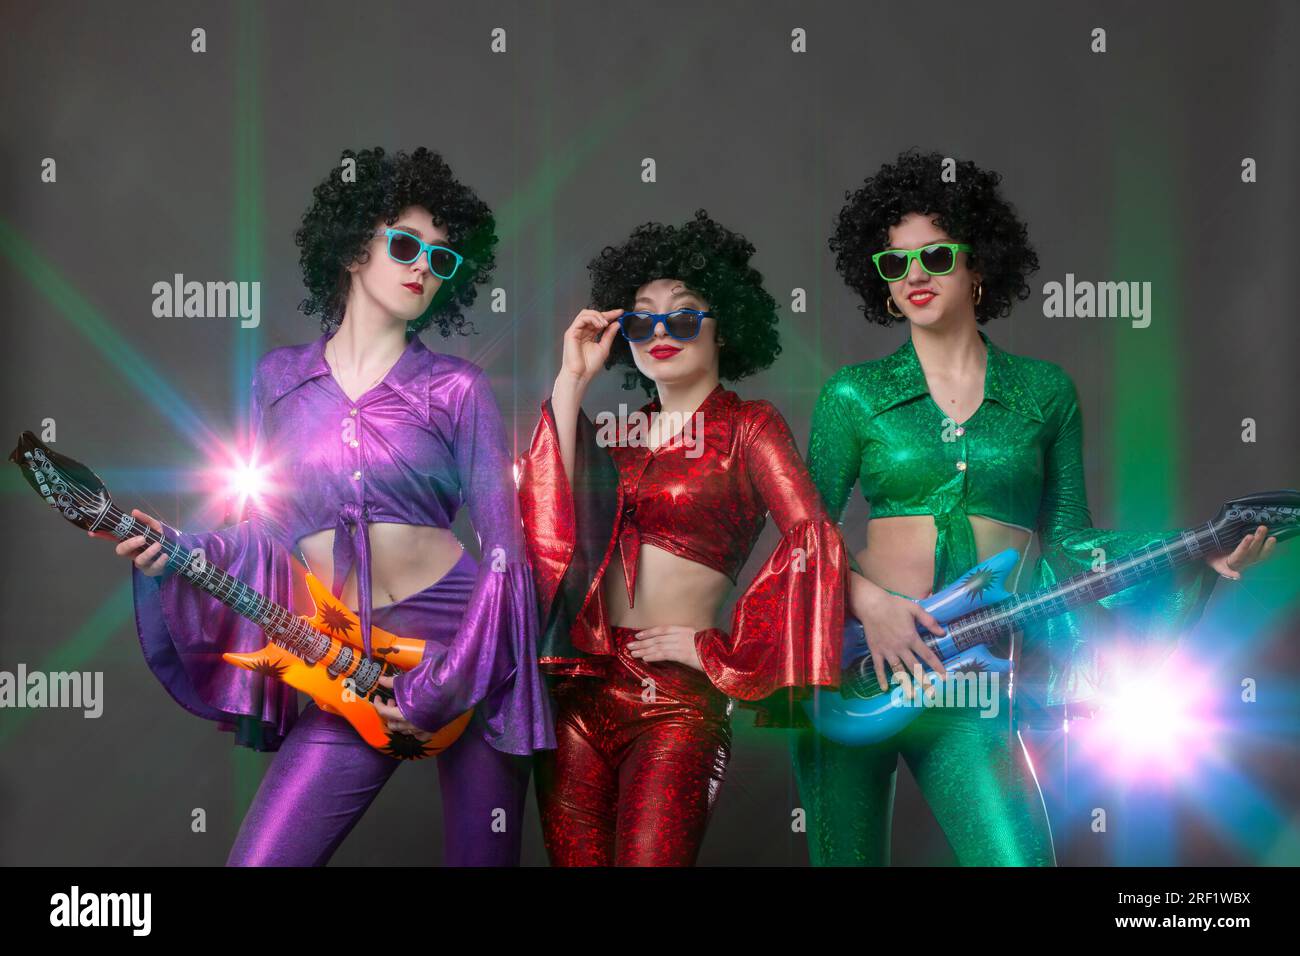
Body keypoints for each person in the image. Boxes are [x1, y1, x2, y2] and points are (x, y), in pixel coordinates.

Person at [795, 148, 1277, 865]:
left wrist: (1194, 547)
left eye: (936, 255)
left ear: (980, 264)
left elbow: (1071, 541)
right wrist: (870, 603)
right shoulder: (851, 395)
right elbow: (802, 531)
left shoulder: (1046, 393)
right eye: (895, 265)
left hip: (978, 676)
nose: (915, 276)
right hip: (854, 670)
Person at [109, 146, 553, 866]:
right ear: (353, 248)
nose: (422, 267)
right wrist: (181, 549)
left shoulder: (458, 391)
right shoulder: (278, 380)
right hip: (345, 656)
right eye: (405, 244)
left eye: (441, 259)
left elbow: (505, 554)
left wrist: (446, 681)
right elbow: (267, 533)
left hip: (467, 646)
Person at [517, 209, 848, 865]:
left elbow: (812, 538)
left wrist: (724, 653)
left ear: (725, 328)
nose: (660, 332)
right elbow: (541, 510)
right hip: (579, 693)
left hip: (674, 702)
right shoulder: (612, 435)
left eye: (685, 314)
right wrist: (571, 379)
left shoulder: (751, 426)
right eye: (642, 319)